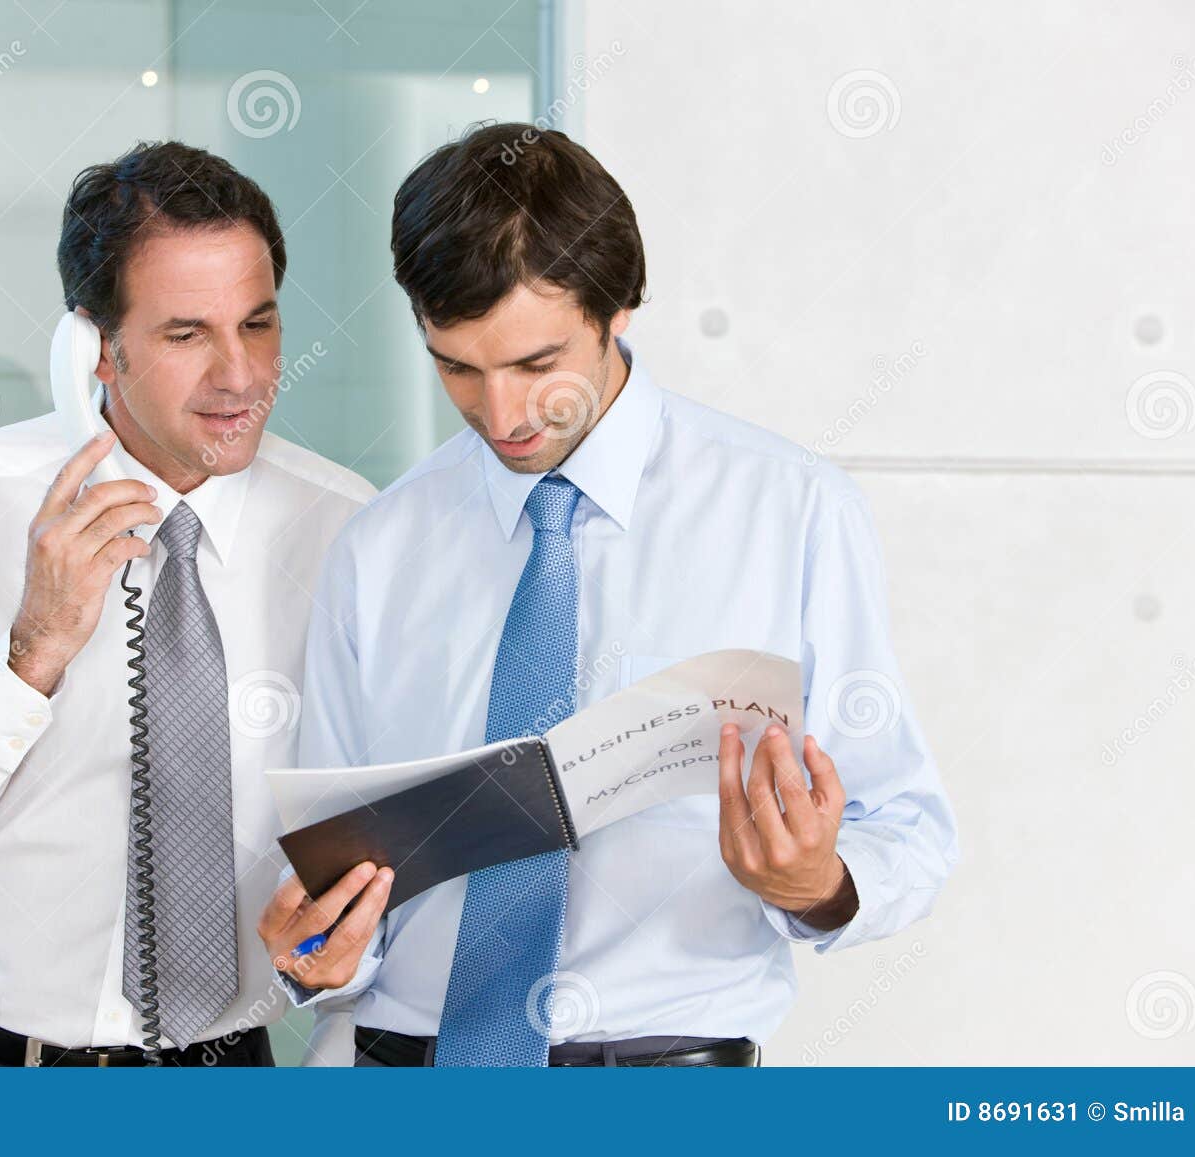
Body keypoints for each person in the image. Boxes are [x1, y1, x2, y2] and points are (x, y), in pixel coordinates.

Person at [259, 123, 958, 1067]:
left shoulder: (790, 511)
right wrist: (317, 953)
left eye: (535, 364)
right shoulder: (377, 548)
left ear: (618, 306)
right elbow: (330, 878)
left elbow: (907, 830)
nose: (500, 414)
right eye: (457, 367)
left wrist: (818, 882)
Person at [0, 140, 381, 1067]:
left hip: (223, 1070)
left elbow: (380, 839)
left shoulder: (349, 528)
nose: (241, 375)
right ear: (95, 349)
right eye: (187, 335)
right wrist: (28, 654)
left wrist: (343, 949)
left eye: (259, 323)